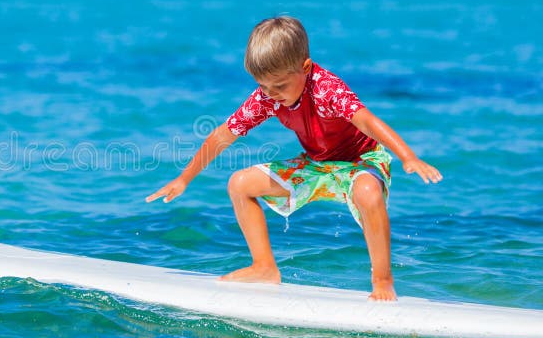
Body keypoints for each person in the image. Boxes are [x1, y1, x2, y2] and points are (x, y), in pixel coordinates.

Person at [146, 16, 442, 300]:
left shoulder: (327, 89)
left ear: (305, 67)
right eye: (264, 86)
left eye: (279, 86)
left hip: (360, 161)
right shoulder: (266, 98)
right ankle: (264, 267)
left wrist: (408, 157)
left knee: (367, 191)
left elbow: (367, 121)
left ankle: (382, 280)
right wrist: (184, 179)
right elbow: (223, 135)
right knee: (240, 184)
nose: (271, 94)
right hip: (315, 164)